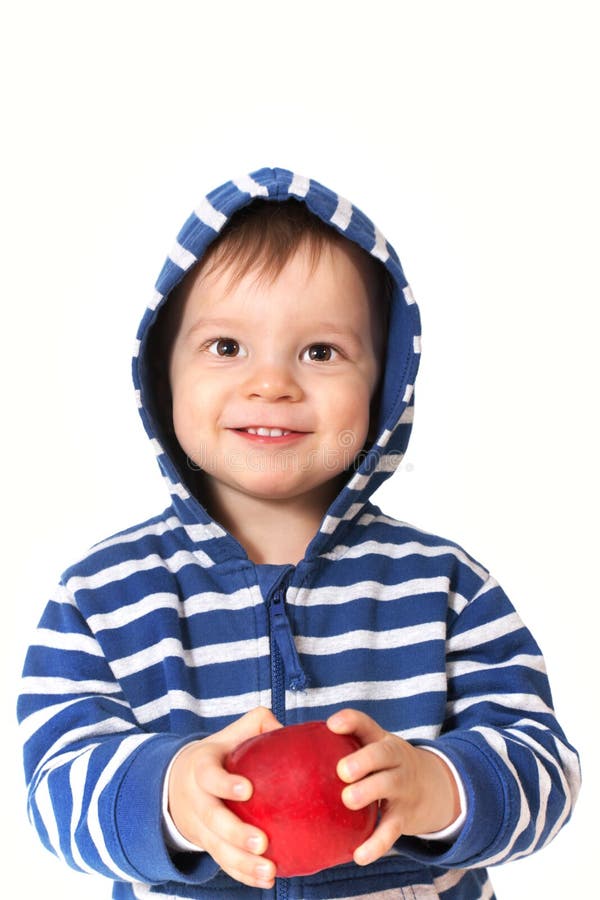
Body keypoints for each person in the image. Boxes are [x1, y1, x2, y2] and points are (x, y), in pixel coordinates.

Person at [18, 167, 580, 900]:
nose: (272, 384)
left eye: (321, 352)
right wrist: (172, 795)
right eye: (226, 347)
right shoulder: (103, 596)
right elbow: (55, 790)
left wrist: (437, 784)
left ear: (385, 386)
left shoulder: (444, 586)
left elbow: (545, 767)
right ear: (162, 374)